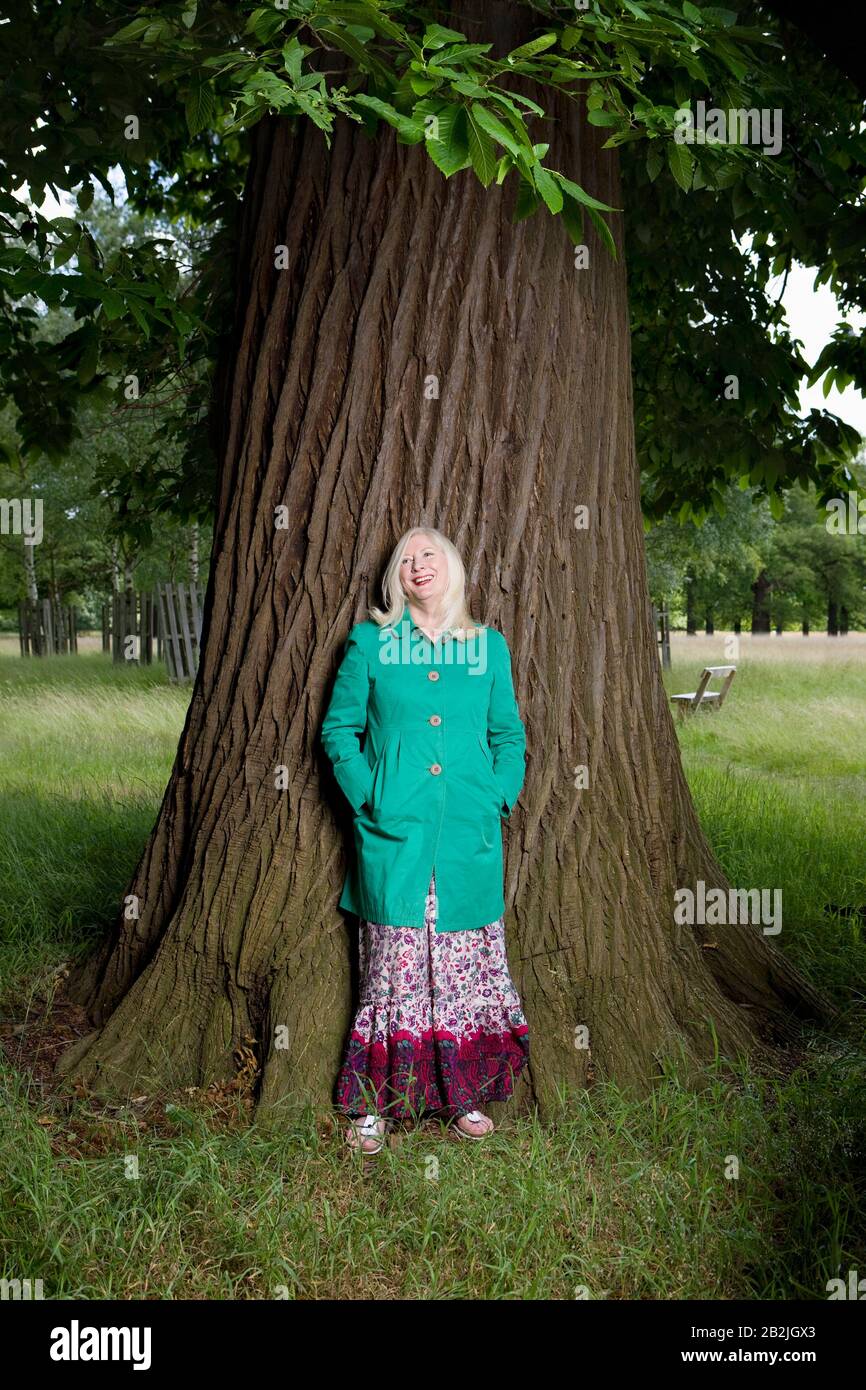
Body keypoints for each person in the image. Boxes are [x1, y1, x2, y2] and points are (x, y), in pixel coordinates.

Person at [320, 527, 530, 1154]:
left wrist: (498, 795)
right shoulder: (372, 643)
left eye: (428, 554)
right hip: (395, 837)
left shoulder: (487, 646)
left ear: (453, 567)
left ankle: (463, 1093)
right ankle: (375, 1107)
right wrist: (369, 797)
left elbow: (508, 737)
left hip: (469, 837)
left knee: (466, 971)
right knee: (393, 970)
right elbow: (339, 731)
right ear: (395, 577)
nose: (416, 565)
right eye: (405, 559)